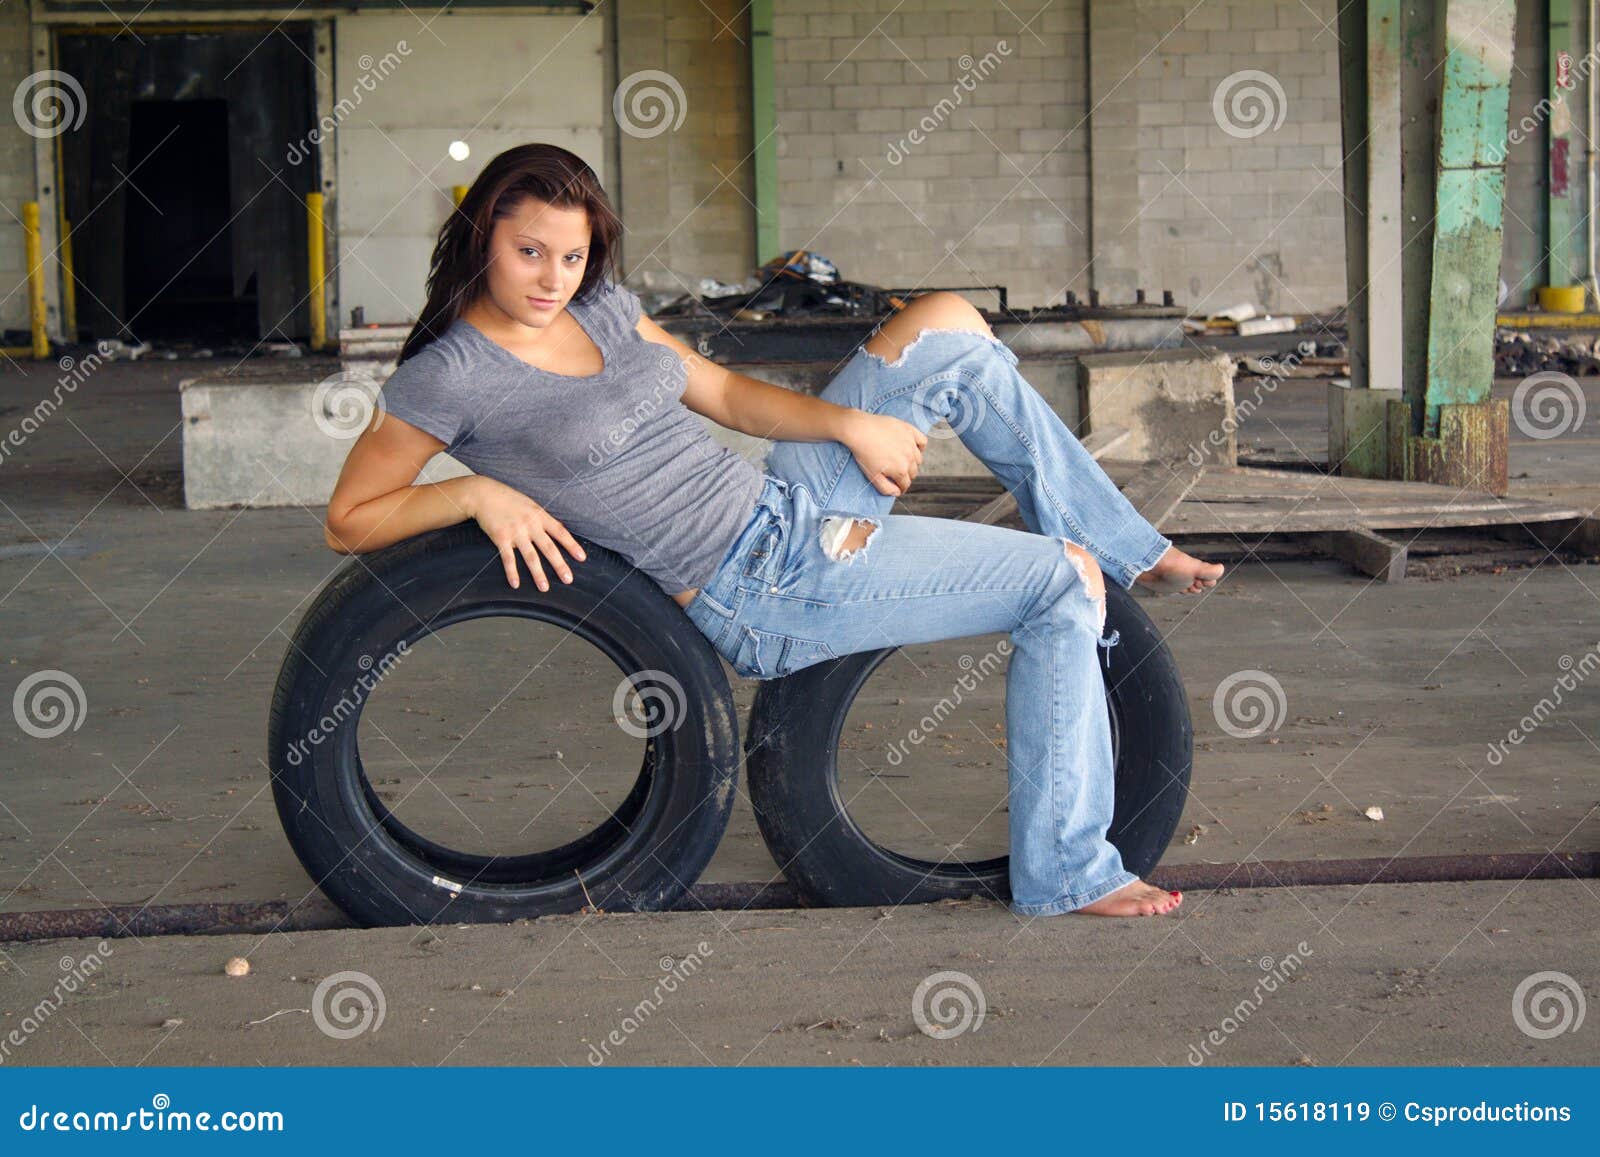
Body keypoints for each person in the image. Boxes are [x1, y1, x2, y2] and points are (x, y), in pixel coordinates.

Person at [323, 143, 1223, 919]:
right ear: (483, 234)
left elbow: (717, 391)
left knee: (947, 323)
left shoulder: (595, 305)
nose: (553, 279)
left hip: (782, 504)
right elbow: (350, 519)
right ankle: (1067, 871)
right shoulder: (450, 377)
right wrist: (476, 491)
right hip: (762, 586)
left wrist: (845, 426)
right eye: (529, 252)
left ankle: (1128, 548)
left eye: (572, 254)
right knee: (1060, 581)